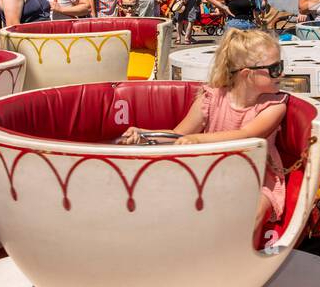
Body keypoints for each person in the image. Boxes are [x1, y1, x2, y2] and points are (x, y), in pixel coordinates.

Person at [118, 28, 289, 224]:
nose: (281, 73)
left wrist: (198, 140)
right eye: (275, 68)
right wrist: (144, 135)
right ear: (246, 74)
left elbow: (246, 135)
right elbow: (178, 133)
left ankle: (238, 250)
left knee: (253, 212)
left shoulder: (273, 106)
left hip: (256, 180)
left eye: (280, 65)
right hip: (210, 175)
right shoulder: (212, 98)